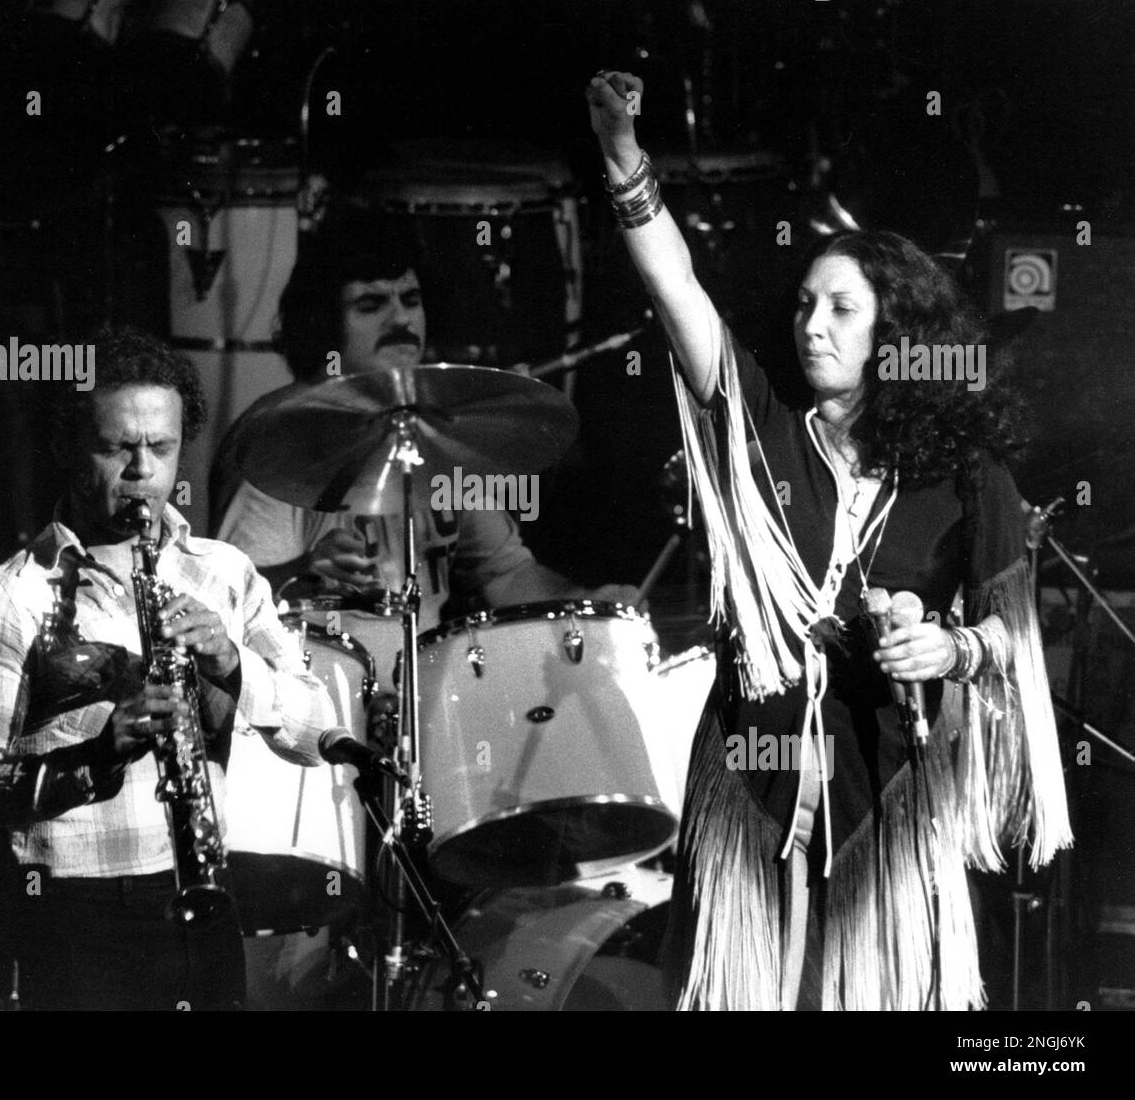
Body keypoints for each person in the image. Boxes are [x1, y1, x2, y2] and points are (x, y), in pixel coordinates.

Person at [587, 70, 1071, 1010]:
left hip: (884, 788)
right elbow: (675, 286)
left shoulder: (964, 475)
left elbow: (1015, 640)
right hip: (750, 779)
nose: (813, 326)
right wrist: (621, 156)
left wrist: (951, 649)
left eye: (842, 309)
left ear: (897, 330)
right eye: (806, 304)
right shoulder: (761, 430)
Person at [0, 327, 335, 1010]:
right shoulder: (13, 593)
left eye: (161, 448)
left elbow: (315, 735)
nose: (142, 473)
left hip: (201, 890)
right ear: (72, 449)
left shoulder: (225, 572)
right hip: (75, 914)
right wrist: (96, 755)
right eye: (117, 448)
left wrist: (232, 662)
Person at [211, 215, 635, 630]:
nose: (402, 320)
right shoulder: (282, 440)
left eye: (411, 300)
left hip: (427, 672)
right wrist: (306, 571)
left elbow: (505, 575)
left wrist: (588, 601)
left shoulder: (440, 428)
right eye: (371, 305)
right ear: (322, 322)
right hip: (314, 671)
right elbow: (229, 598)